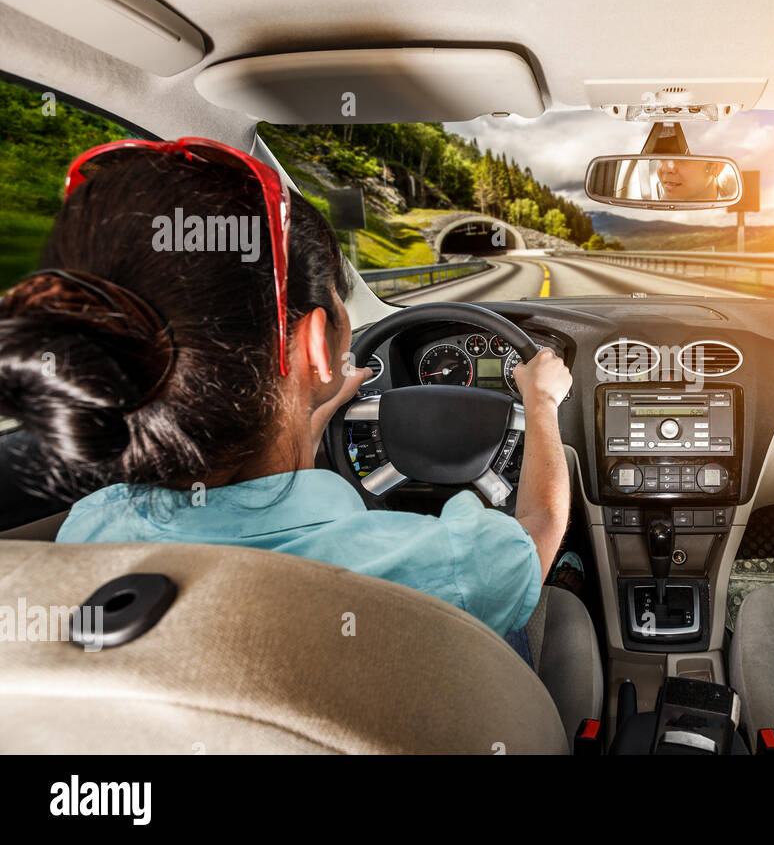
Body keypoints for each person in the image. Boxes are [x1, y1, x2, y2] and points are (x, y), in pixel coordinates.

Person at [0, 139, 573, 660]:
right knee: (554, 608)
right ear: (317, 345)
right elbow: (540, 528)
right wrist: (542, 405)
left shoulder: (91, 527)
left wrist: (314, 406)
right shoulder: (436, 571)